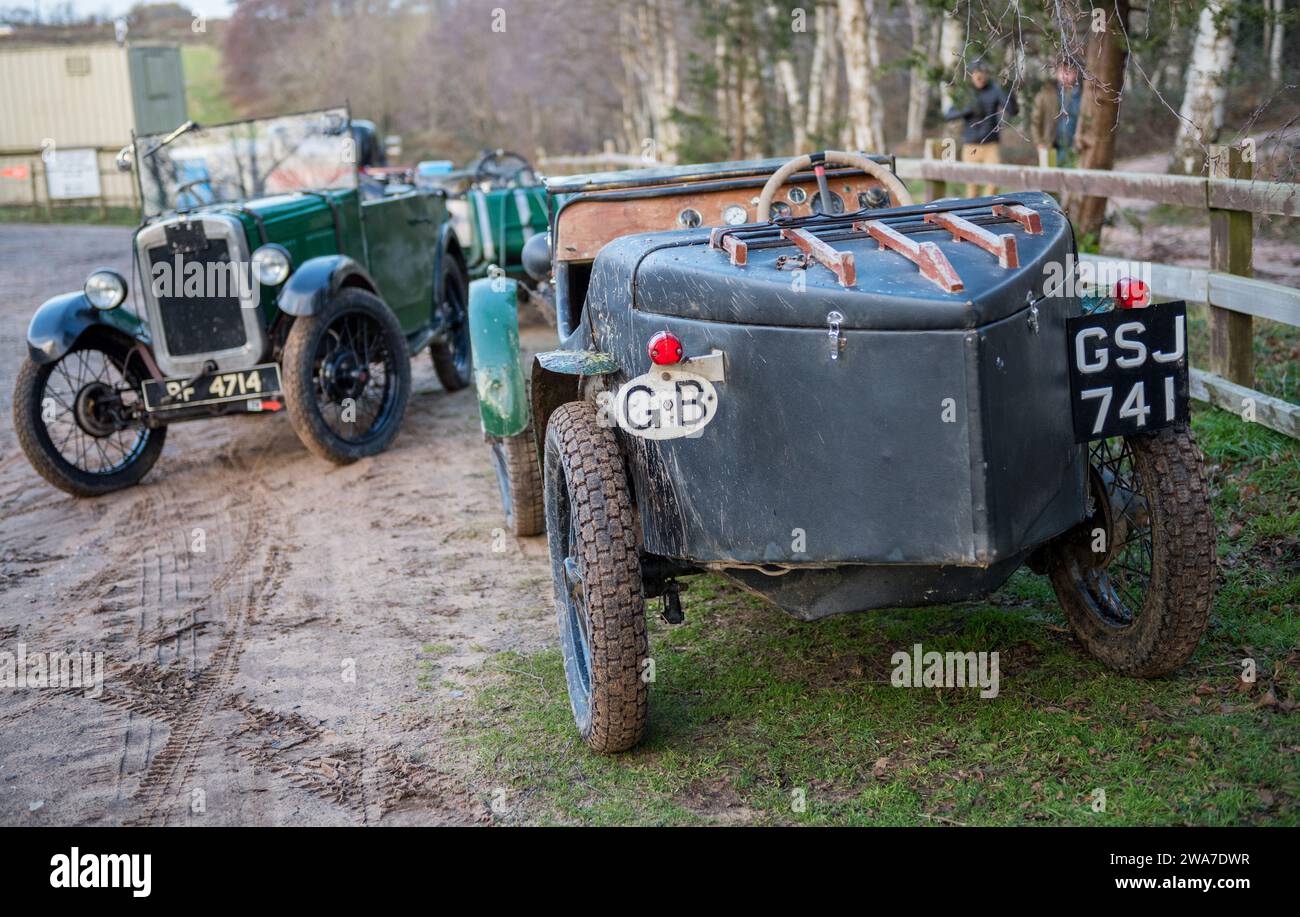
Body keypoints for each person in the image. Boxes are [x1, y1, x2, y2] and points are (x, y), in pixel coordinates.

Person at [943, 61, 1018, 197]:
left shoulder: (995, 90)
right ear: (971, 76)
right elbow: (948, 115)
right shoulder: (965, 93)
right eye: (976, 75)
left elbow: (1013, 111)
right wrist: (966, 110)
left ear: (986, 75)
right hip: (970, 145)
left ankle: (988, 209)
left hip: (991, 144)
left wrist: (1008, 90)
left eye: (982, 75)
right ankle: (972, 214)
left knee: (994, 181)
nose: (980, 78)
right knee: (972, 187)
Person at [1034, 62, 1081, 167]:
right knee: (1049, 179)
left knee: (1074, 179)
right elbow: (1036, 120)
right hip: (1050, 146)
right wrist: (1039, 142)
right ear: (1057, 73)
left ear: (1076, 73)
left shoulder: (1084, 95)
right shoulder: (1046, 94)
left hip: (1075, 148)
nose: (1065, 75)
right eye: (1062, 72)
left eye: (1069, 72)